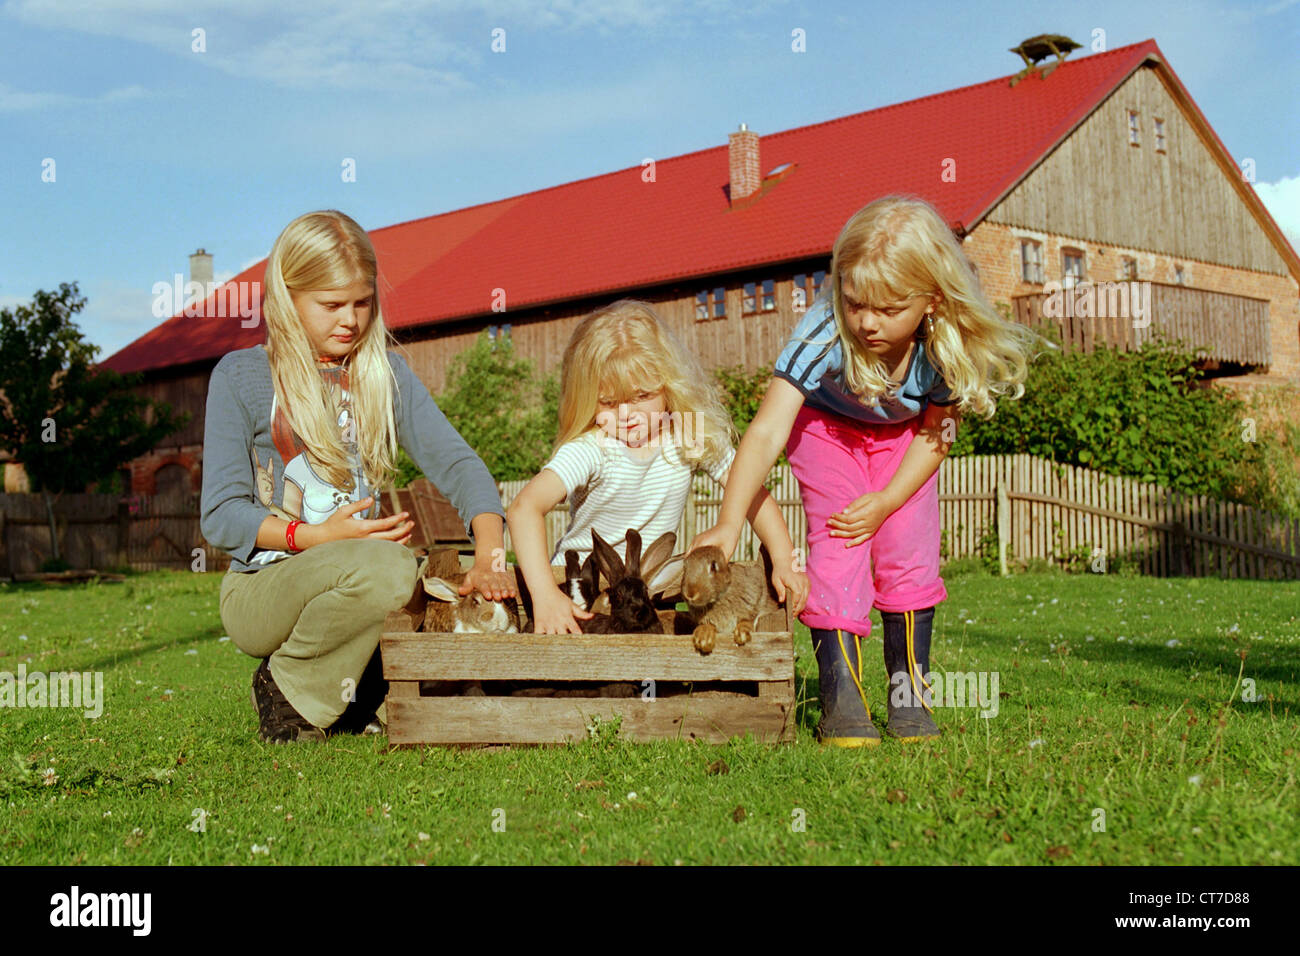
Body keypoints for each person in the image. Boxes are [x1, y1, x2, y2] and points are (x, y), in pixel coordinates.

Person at [691, 196, 1035, 746]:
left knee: (907, 550)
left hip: (910, 440)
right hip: (826, 432)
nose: (867, 321)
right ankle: (843, 702)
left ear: (931, 300)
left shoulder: (945, 344)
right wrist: (730, 523)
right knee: (840, 544)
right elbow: (765, 431)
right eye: (855, 303)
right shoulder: (824, 330)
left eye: (888, 308)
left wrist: (890, 501)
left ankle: (908, 699)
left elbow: (939, 434)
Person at [200, 210, 515, 743]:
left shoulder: (387, 375)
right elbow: (222, 515)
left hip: (360, 570)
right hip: (262, 589)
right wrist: (317, 536)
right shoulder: (241, 375)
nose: (350, 319)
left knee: (434, 585)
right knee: (391, 569)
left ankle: (362, 696)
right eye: (331, 305)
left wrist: (488, 558)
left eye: (362, 302)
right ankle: (287, 690)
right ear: (286, 297)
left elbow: (460, 466)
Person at [507, 299, 809, 634]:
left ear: (668, 385)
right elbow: (524, 509)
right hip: (584, 595)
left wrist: (783, 558)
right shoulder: (592, 448)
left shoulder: (687, 434)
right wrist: (545, 593)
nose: (626, 415)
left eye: (641, 397)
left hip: (653, 597)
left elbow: (749, 488)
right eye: (608, 402)